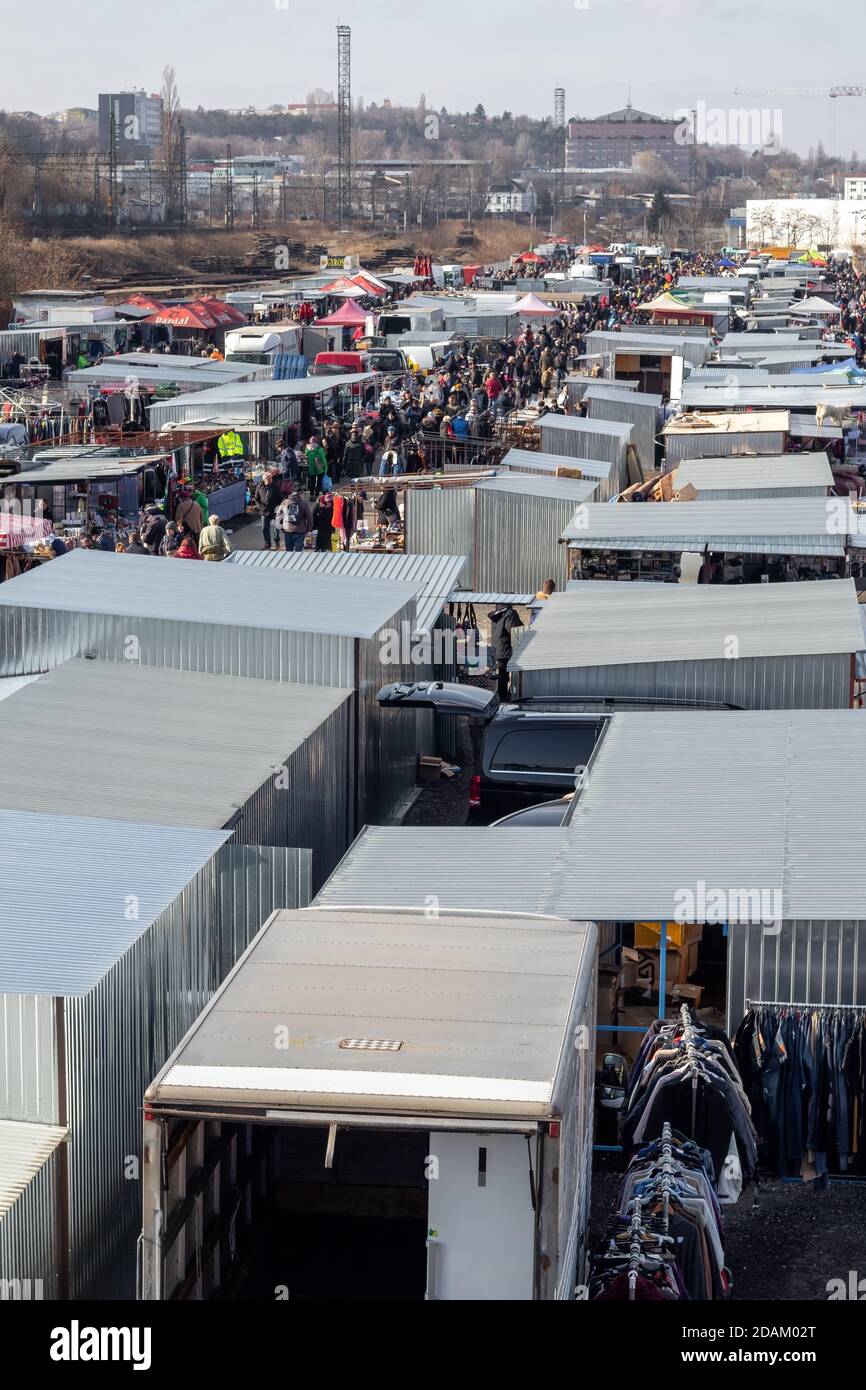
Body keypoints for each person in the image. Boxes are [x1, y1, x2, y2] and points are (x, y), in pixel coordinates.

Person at [489, 602, 523, 702]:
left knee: (502, 674)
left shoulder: (497, 614)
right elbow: (514, 630)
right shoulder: (510, 614)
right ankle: (504, 698)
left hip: (498, 648)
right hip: (506, 648)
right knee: (506, 674)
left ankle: (502, 696)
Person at [275, 485, 313, 551]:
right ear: (300, 494)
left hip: (287, 530)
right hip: (300, 531)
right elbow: (310, 518)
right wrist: (308, 530)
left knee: (289, 551)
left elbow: (278, 516)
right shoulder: (304, 503)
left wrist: (281, 528)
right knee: (298, 551)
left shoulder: (285, 502)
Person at [255, 470, 283, 550]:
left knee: (276, 528)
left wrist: (279, 509)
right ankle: (267, 543)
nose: (270, 480)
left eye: (271, 478)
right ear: (264, 479)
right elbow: (256, 499)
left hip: (274, 511)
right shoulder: (259, 487)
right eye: (268, 479)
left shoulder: (276, 487)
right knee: (264, 528)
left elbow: (280, 499)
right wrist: (260, 507)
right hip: (264, 511)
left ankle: (277, 542)